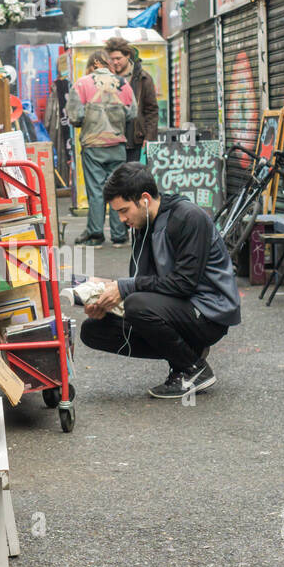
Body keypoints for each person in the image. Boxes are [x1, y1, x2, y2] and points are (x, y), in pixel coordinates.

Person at [80, 163, 241, 399]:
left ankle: (193, 369)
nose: (122, 219)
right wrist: (105, 301)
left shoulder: (188, 217)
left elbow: (184, 283)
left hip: (209, 313)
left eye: (124, 210)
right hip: (177, 308)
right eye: (117, 213)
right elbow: (142, 282)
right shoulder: (142, 225)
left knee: (136, 305)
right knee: (93, 330)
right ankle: (187, 355)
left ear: (144, 199)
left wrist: (125, 288)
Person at [69, 50, 136, 246]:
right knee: (117, 189)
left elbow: (75, 117)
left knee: (96, 191)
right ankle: (119, 235)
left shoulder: (82, 84)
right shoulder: (123, 84)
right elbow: (132, 114)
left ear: (92, 65)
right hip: (117, 145)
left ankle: (96, 234)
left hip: (93, 145)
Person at [105, 36, 158, 165]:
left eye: (118, 58)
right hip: (111, 140)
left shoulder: (143, 78)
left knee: (131, 179)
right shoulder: (105, 78)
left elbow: (151, 110)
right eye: (112, 59)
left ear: (127, 55)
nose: (115, 62)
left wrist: (149, 137)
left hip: (134, 140)